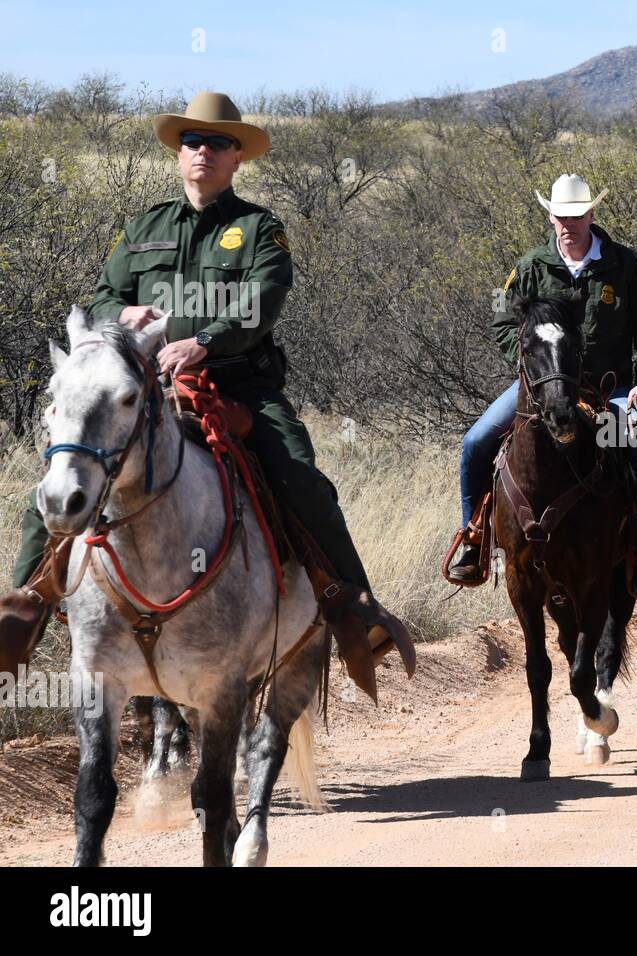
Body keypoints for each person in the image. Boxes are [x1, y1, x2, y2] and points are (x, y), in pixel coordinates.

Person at [2, 91, 408, 671]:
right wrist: (122, 317)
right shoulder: (143, 227)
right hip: (146, 387)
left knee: (297, 475)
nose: (204, 151)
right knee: (62, 473)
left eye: (219, 143)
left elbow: (261, 301)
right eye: (194, 141)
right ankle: (24, 609)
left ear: (237, 157)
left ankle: (355, 607)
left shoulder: (260, 228)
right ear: (179, 153)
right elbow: (103, 296)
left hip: (239, 384)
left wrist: (201, 341)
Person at [447, 174, 637, 584]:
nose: (569, 224)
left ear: (591, 214)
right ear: (550, 217)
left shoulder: (624, 264)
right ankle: (474, 540)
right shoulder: (531, 266)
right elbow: (503, 325)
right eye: (561, 216)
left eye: (577, 215)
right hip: (542, 388)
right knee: (476, 442)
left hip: (610, 389)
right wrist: (533, 370)